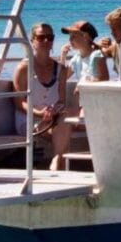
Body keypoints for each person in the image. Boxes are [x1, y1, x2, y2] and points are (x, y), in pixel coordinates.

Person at [12, 23, 72, 170]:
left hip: (53, 117)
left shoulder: (60, 69)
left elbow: (61, 100)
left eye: (49, 37)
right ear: (32, 41)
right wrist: (39, 113)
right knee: (61, 132)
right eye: (41, 37)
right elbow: (19, 103)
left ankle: (56, 160)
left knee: (66, 117)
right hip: (29, 118)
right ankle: (58, 161)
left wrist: (54, 111)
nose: (46, 41)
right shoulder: (24, 68)